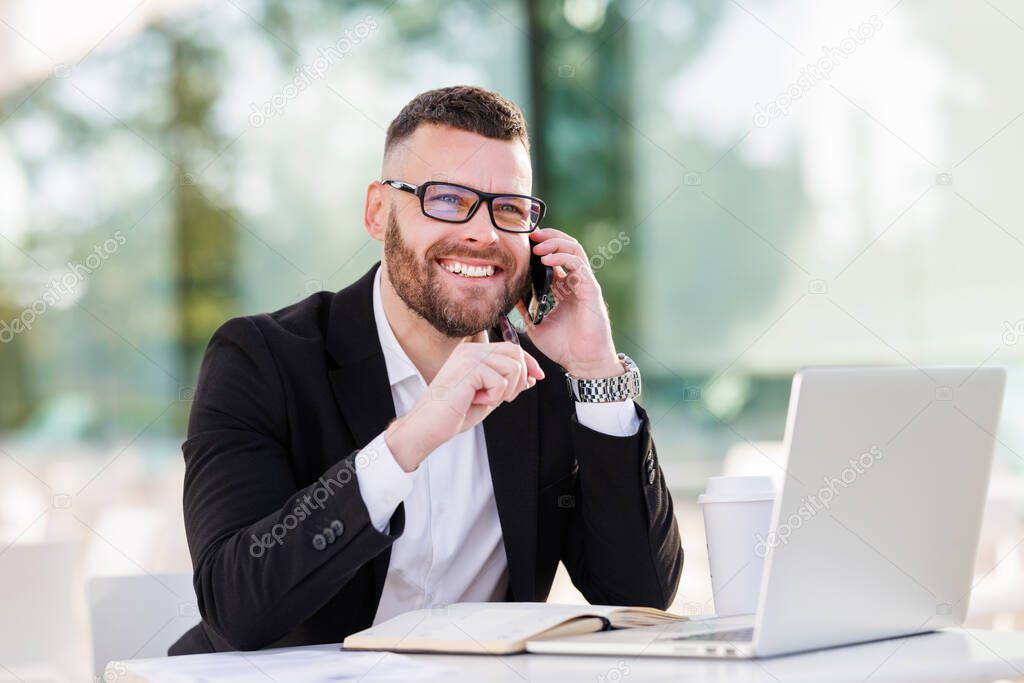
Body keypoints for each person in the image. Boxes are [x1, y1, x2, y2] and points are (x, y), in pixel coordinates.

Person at [169, 85, 682, 654]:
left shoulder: (548, 376)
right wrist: (407, 442)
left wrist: (596, 371)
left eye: (509, 208)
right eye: (447, 199)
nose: (483, 233)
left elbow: (640, 595)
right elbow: (235, 608)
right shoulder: (260, 359)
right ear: (378, 211)